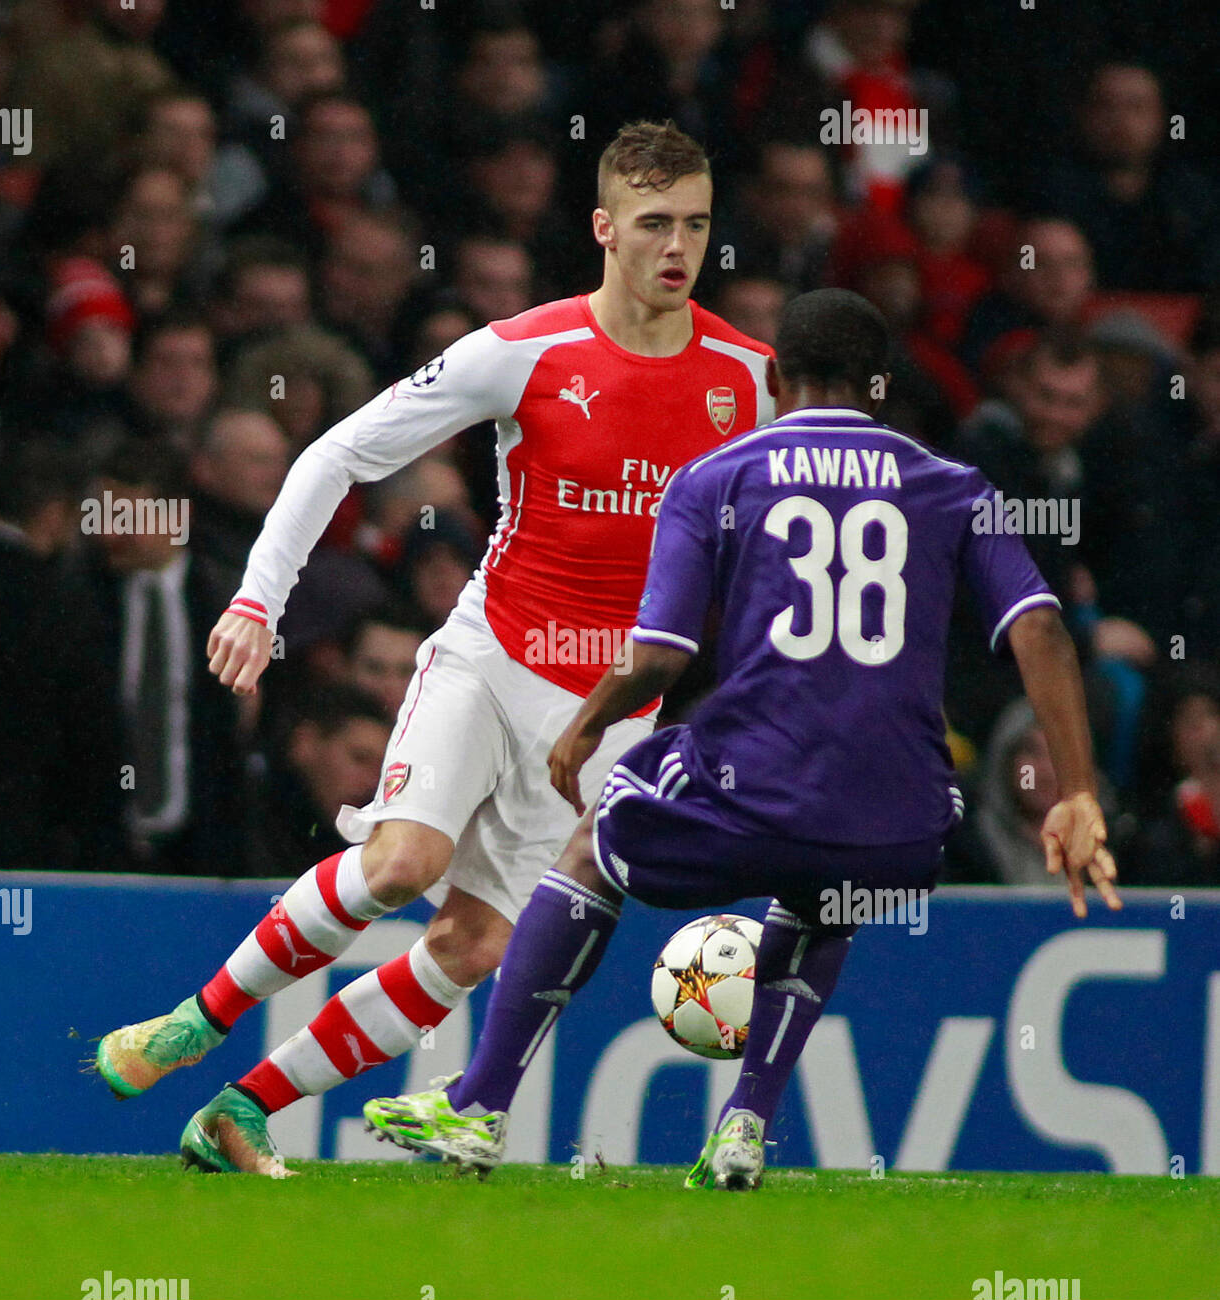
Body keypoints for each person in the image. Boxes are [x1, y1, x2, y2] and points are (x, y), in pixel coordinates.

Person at [93, 119, 776, 1175]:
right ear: (602, 227)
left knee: (475, 944)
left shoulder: (748, 379)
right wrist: (254, 601)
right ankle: (193, 1019)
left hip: (605, 709)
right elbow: (337, 454)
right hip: (490, 658)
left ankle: (242, 1108)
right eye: (651, 224)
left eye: (692, 223)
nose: (674, 247)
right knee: (400, 861)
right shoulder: (523, 352)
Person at [363, 288, 1122, 1190]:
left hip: (752, 780)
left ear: (771, 376)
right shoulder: (953, 487)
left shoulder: (716, 476)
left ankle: (479, 1104)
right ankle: (745, 1127)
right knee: (825, 882)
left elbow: (658, 657)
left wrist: (585, 724)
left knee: (589, 845)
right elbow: (1039, 629)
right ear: (878, 388)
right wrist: (1077, 791)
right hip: (905, 821)